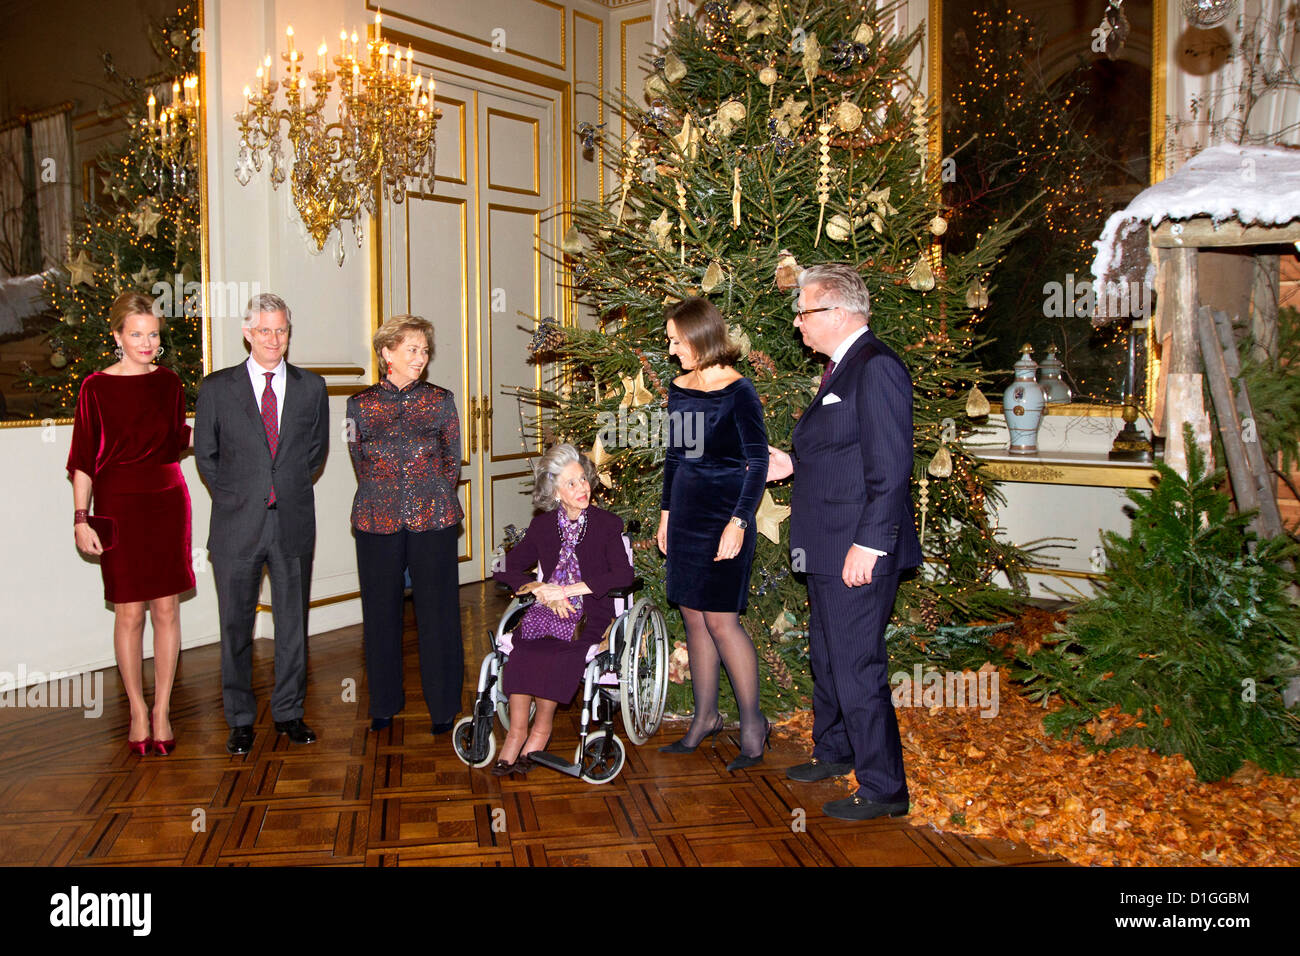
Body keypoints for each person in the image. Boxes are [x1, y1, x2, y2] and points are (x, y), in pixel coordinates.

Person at [766, 264, 922, 821]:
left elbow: (890, 468)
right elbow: (844, 453)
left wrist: (871, 546)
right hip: (827, 545)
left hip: (857, 548)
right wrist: (793, 461)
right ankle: (835, 751)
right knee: (829, 658)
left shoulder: (876, 368)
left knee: (858, 667)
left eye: (803, 312)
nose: (797, 323)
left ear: (837, 312)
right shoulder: (843, 367)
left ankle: (884, 788)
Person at [194, 293, 329, 755]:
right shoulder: (216, 388)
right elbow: (206, 457)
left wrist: (280, 487)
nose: (274, 339)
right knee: (235, 627)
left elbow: (315, 452)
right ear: (248, 333)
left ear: (289, 334)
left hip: (292, 522)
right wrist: (241, 495)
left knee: (293, 625)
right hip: (236, 526)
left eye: (282, 330)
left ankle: (289, 712)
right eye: (265, 330)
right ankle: (239, 719)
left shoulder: (313, 387)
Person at [67, 290, 194, 756]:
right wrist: (82, 519)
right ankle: (136, 710)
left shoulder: (170, 383)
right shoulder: (95, 388)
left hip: (167, 502)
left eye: (153, 335)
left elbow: (179, 439)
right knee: (129, 612)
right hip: (118, 504)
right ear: (117, 335)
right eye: (136, 334)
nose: (146, 343)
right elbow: (82, 460)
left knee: (167, 610)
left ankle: (162, 710)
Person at [656, 297, 770, 770]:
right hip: (685, 514)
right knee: (693, 617)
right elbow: (677, 456)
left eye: (676, 340)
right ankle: (705, 718)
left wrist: (739, 523)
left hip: (726, 515)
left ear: (699, 338)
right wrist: (666, 514)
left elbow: (758, 462)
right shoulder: (679, 387)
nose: (670, 349)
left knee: (722, 621)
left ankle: (752, 725)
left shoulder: (739, 391)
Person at [346, 315, 463, 735]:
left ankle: (444, 706)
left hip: (434, 518)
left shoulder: (441, 399)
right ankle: (384, 703)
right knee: (379, 613)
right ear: (386, 353)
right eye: (412, 349)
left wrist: (427, 495)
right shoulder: (358, 405)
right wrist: (387, 495)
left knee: (439, 613)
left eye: (424, 350)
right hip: (376, 518)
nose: (421, 357)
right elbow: (358, 458)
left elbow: (452, 460)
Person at [492, 444, 634, 776]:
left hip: (591, 611)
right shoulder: (543, 528)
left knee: (557, 654)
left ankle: (540, 730)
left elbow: (623, 574)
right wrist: (539, 588)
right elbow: (503, 565)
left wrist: (569, 590)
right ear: (555, 491)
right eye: (571, 483)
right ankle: (516, 733)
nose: (583, 488)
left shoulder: (606, 524)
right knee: (525, 648)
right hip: (547, 610)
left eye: (583, 479)